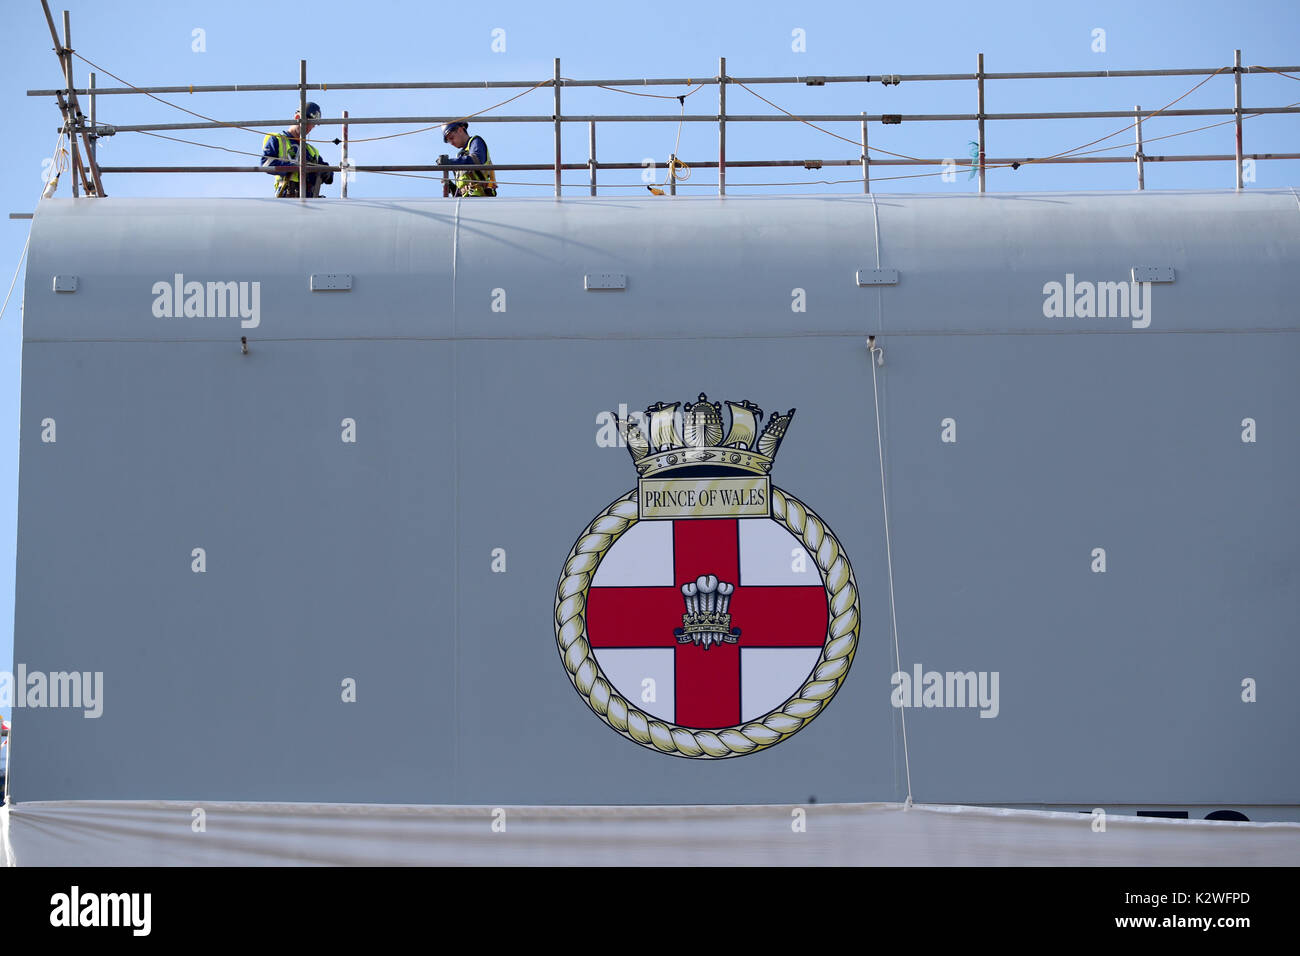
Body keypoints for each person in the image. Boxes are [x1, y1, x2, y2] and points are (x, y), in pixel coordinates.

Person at [262, 102, 334, 198]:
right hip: (288, 197)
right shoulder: (277, 139)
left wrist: (327, 172)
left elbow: (327, 172)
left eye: (313, 125)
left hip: (310, 200)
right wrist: (295, 166)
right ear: (297, 118)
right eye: (308, 123)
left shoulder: (311, 151)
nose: (310, 128)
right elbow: (267, 164)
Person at [437, 121, 497, 197]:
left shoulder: (475, 141)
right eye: (449, 141)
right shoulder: (460, 157)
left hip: (479, 197)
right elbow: (462, 190)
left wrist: (449, 162)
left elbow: (475, 160)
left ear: (460, 130)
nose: (451, 142)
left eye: (451, 138)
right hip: (466, 200)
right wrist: (452, 188)